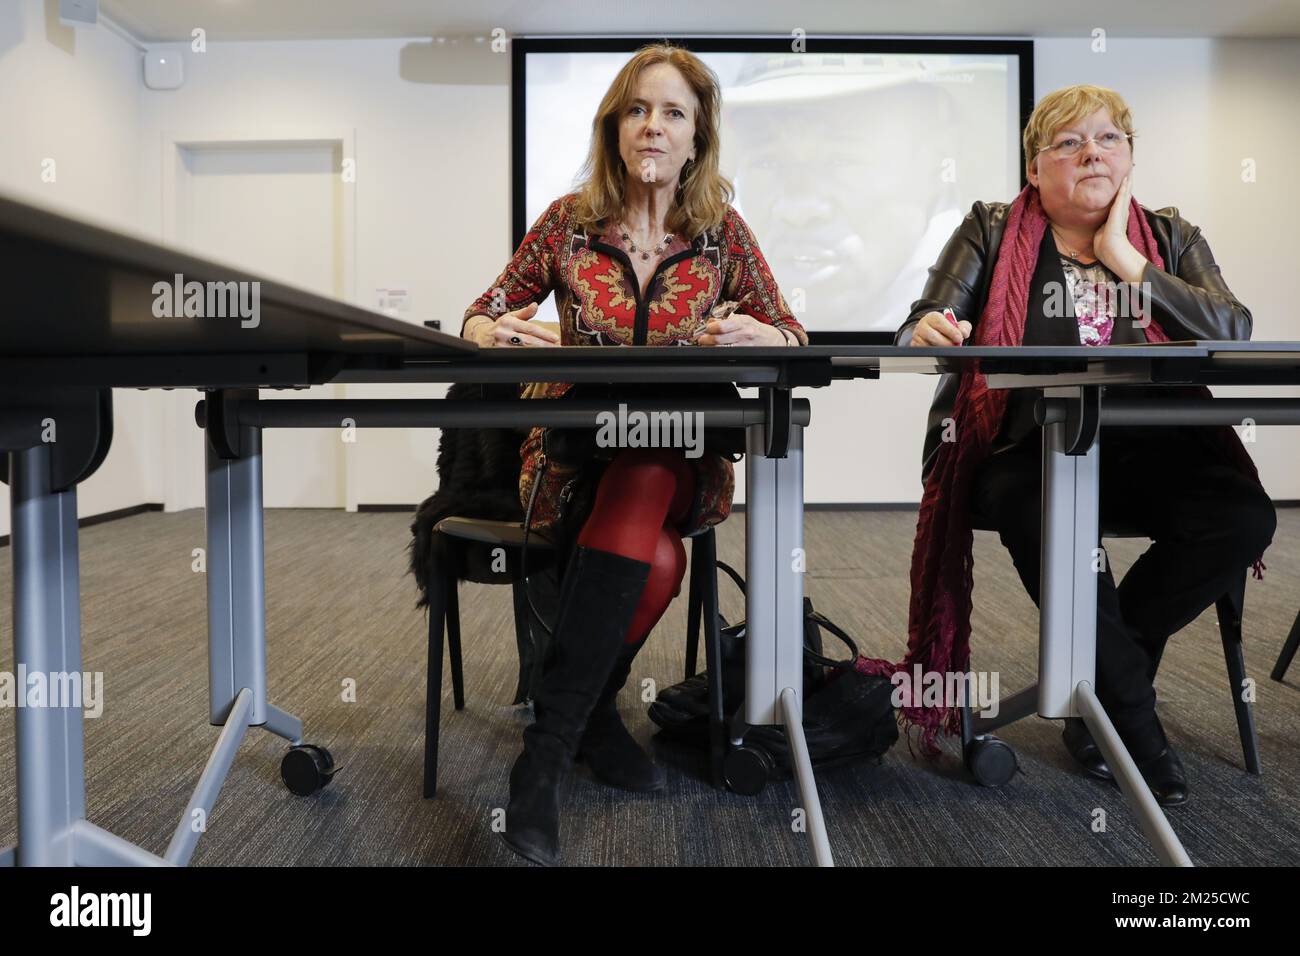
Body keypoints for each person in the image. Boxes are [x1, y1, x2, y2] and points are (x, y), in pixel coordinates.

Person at [461, 43, 807, 865]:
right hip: (576, 464)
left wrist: (771, 331)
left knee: (653, 464)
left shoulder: (724, 236)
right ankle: (594, 721)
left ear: (697, 138)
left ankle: (542, 761)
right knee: (655, 564)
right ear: (615, 129)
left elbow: (792, 334)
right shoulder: (566, 224)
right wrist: (492, 329)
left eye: (673, 113)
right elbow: (480, 313)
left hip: (687, 462)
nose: (654, 125)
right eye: (637, 110)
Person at [890, 84, 1274, 805]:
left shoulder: (1169, 235)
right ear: (1036, 169)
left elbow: (1232, 329)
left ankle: (1100, 676)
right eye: (1068, 143)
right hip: (1021, 451)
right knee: (1045, 518)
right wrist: (931, 328)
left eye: (1108, 139)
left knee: (1244, 517)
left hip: (1152, 454)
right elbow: (926, 321)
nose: (1091, 152)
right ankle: (1130, 718)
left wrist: (1127, 260)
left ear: (1129, 157)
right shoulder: (992, 227)